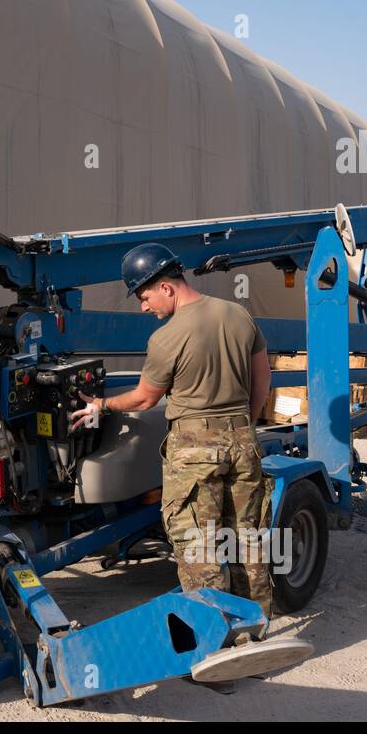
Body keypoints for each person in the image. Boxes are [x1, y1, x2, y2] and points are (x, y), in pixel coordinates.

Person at [69, 242, 274, 621]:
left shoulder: (167, 337)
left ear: (166, 287)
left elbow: (145, 399)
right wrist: (246, 421)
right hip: (243, 442)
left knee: (200, 546)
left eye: (145, 297)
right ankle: (253, 630)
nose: (145, 308)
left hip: (195, 451)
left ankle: (214, 644)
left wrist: (102, 405)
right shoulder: (239, 314)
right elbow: (263, 376)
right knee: (247, 540)